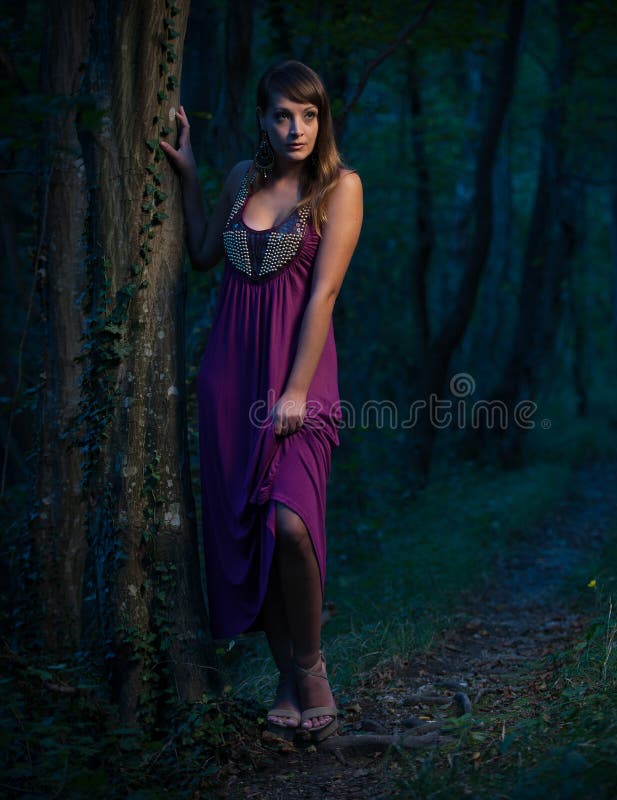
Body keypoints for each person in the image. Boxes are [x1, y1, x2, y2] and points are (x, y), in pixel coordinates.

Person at [160, 60, 363, 743]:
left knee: (290, 524)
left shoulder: (339, 188)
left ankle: (310, 668)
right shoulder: (242, 180)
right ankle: (285, 678)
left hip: (299, 381)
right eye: (283, 114)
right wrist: (189, 174)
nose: (296, 128)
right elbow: (200, 252)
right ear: (262, 119)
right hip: (230, 382)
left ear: (322, 120)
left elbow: (323, 294)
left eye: (309, 115)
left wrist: (296, 391)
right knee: (251, 531)